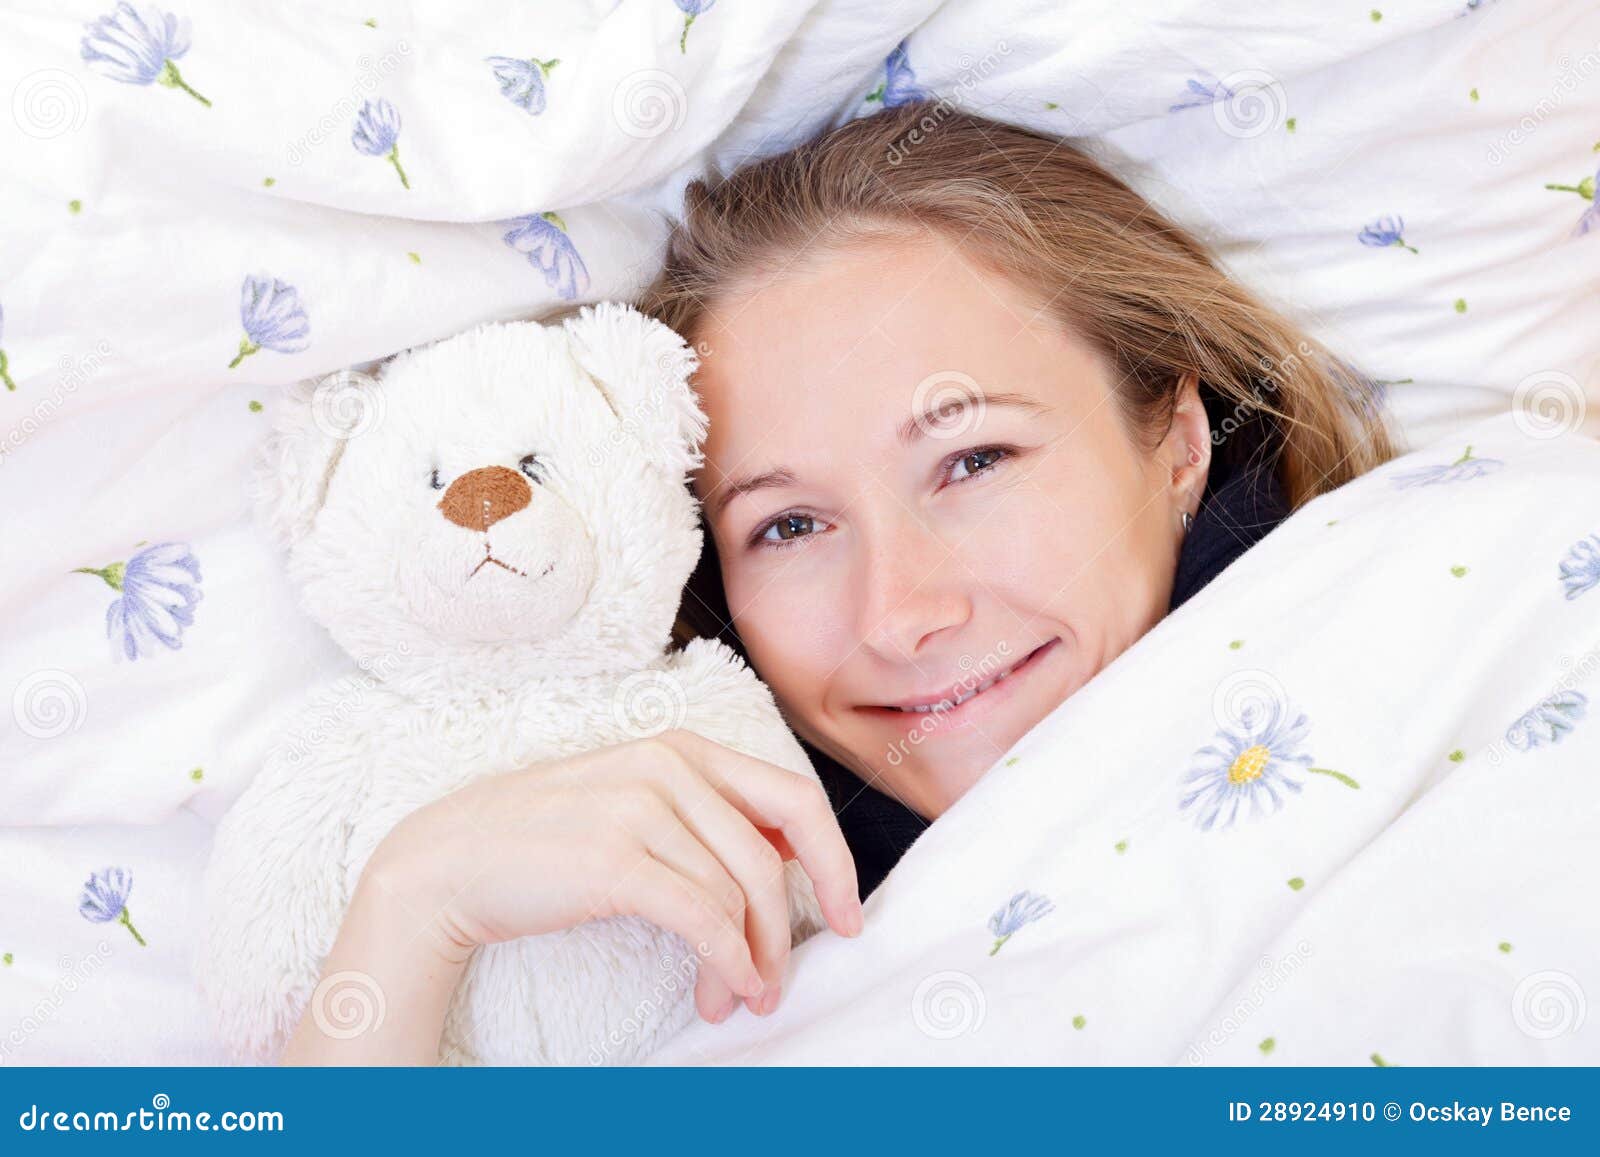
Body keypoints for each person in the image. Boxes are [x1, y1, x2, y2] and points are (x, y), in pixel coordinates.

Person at [284, 102, 1394, 1064]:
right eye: (792, 523)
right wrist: (414, 902)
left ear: (1179, 444)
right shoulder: (714, 938)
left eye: (973, 460)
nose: (901, 613)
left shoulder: (1444, 623)